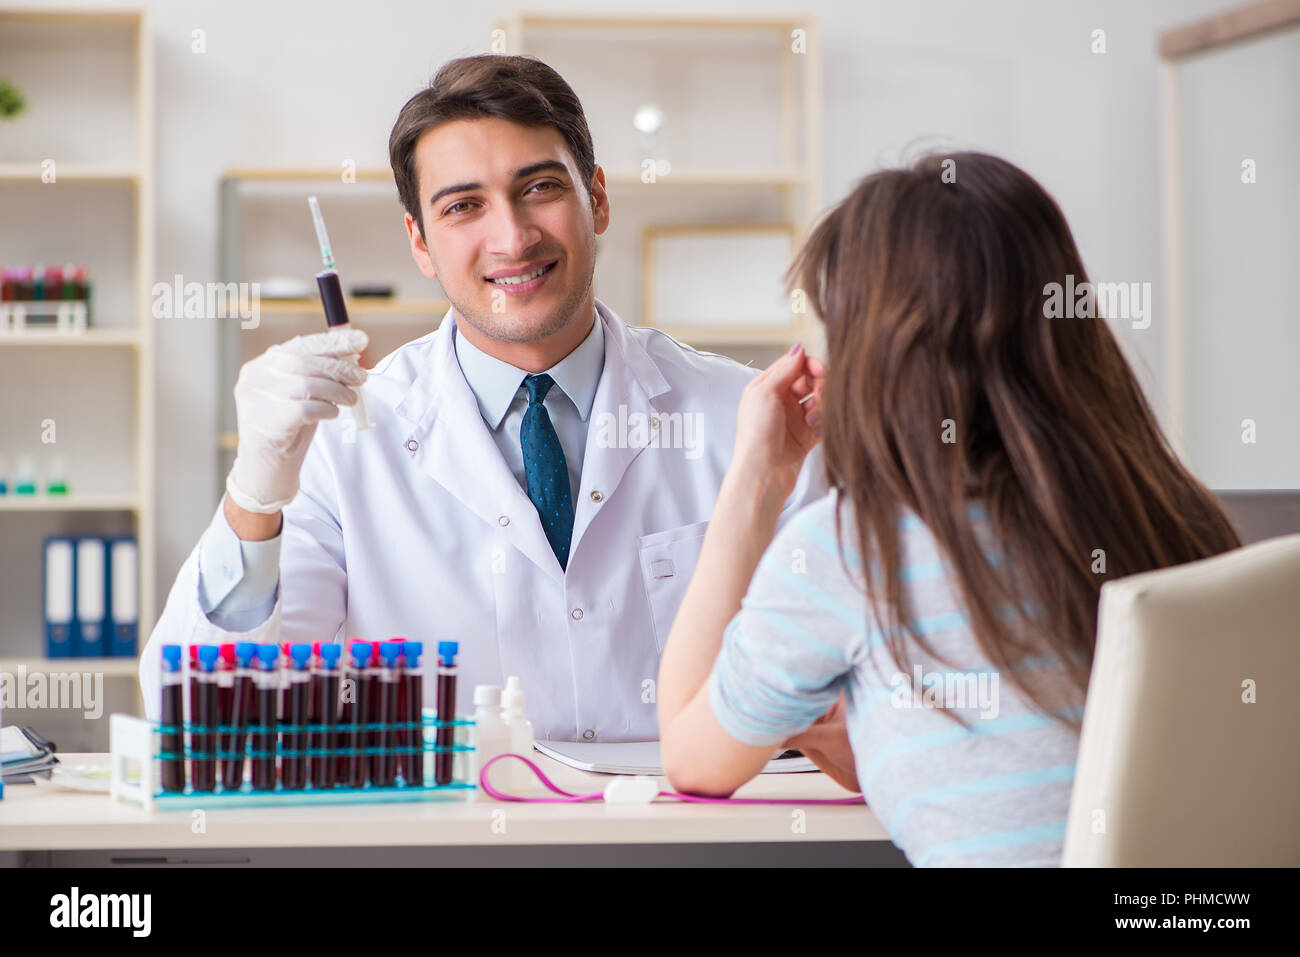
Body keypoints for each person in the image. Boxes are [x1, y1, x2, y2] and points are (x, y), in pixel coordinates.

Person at [140, 55, 827, 740]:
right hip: (447, 844)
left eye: (540, 187)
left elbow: (841, 678)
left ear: (600, 198)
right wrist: (252, 501)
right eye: (464, 206)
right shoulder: (345, 443)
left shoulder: (744, 419)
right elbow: (200, 715)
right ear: (421, 242)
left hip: (691, 842)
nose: (513, 236)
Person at [657, 151, 1241, 866]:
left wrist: (757, 473)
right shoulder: (1177, 516)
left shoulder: (854, 548)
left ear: (882, 356)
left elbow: (689, 757)